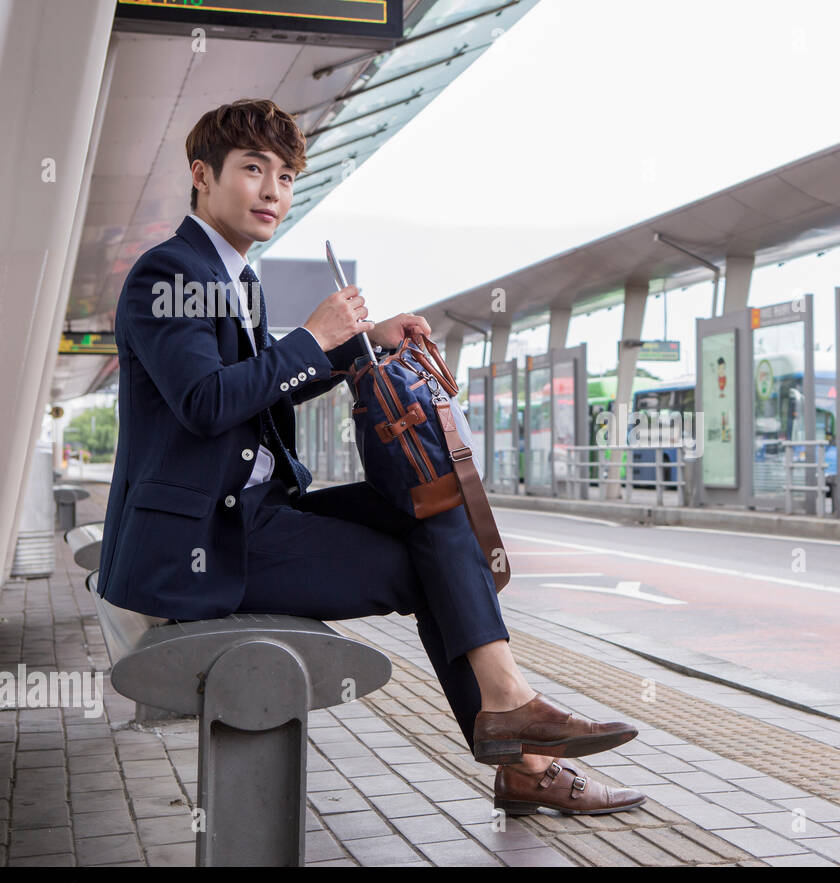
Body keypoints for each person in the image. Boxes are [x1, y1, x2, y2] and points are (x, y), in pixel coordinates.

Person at [96, 99, 645, 816]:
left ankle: (514, 720)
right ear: (203, 175)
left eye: (287, 177)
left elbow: (262, 391)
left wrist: (364, 344)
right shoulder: (166, 274)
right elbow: (206, 401)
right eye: (253, 170)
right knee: (428, 563)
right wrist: (315, 337)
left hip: (253, 514)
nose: (273, 192)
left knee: (431, 498)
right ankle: (521, 743)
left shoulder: (239, 279)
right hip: (201, 543)